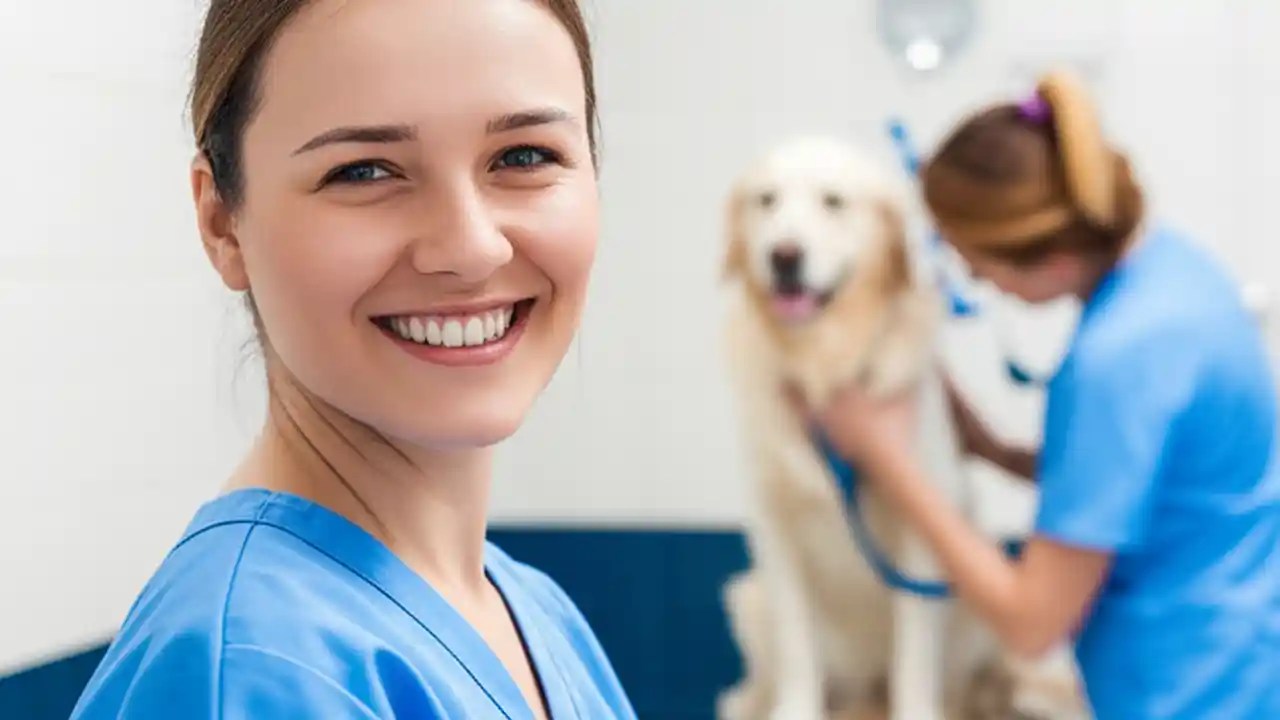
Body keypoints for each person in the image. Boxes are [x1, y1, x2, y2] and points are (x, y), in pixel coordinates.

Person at [71, 1, 635, 718]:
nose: (470, 248)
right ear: (221, 222)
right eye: (365, 171)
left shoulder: (532, 614)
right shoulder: (253, 673)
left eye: (524, 157)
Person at [801, 71, 1280, 719]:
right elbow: (1148, 485)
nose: (967, 274)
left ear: (1050, 260)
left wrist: (883, 455)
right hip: (1243, 668)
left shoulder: (1120, 359)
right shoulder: (1179, 278)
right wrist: (994, 450)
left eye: (974, 258)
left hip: (1192, 694)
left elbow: (1031, 624)